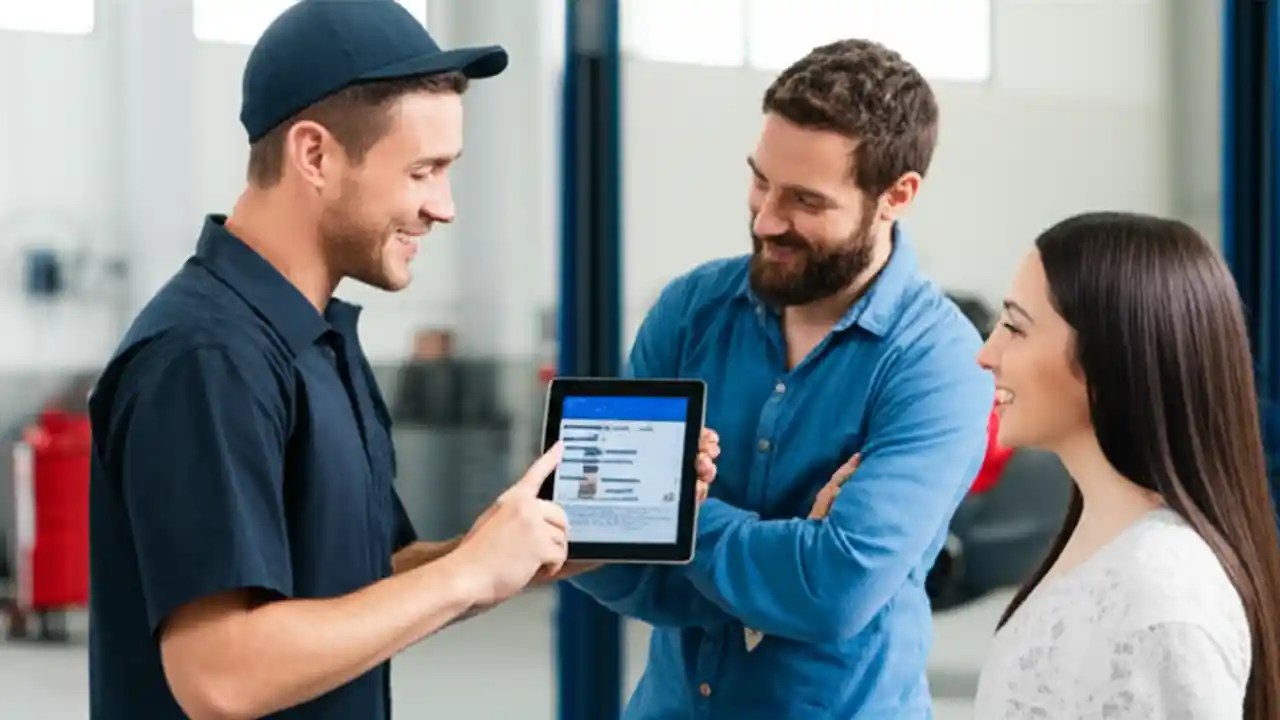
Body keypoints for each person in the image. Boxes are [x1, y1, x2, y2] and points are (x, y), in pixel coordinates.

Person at [83, 2, 722, 718]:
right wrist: (467, 575)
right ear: (315, 155)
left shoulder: (319, 341)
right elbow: (221, 675)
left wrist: (530, 545)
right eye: (424, 171)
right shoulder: (207, 357)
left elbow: (367, 580)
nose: (443, 207)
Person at [566, 39, 994, 718]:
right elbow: (602, 551)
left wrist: (668, 515)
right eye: (760, 179)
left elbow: (832, 593)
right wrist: (773, 558)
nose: (766, 218)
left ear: (896, 195)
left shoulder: (939, 362)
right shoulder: (688, 312)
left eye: (805, 200)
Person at [969, 212, 1280, 718]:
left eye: (1014, 328)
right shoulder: (1111, 551)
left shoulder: (1164, 595)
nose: (987, 354)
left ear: (1108, 359)